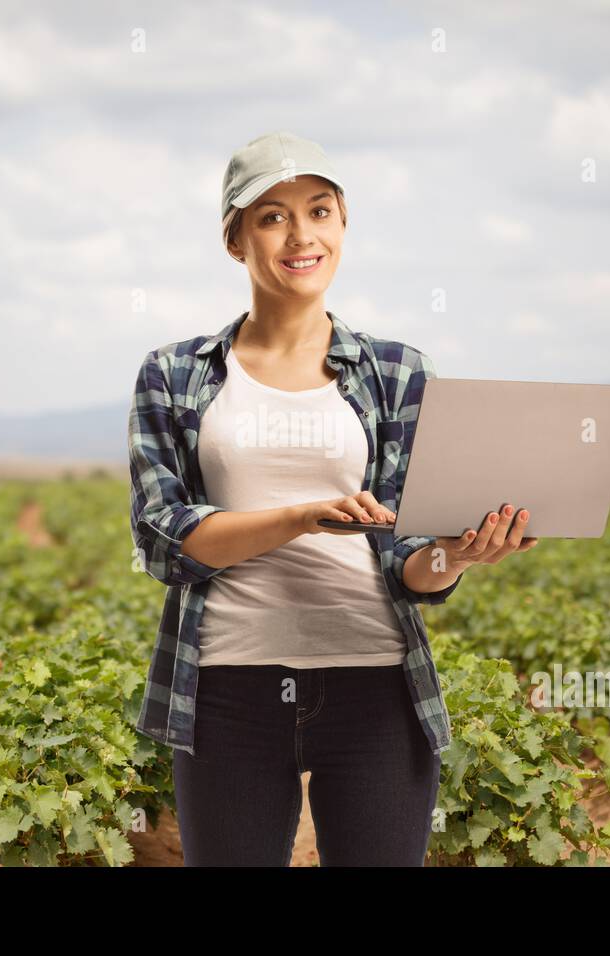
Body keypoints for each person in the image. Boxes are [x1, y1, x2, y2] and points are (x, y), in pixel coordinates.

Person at [128, 131, 538, 866]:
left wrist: (457, 555)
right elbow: (164, 539)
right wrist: (299, 517)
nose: (301, 234)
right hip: (226, 689)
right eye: (273, 216)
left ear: (342, 227)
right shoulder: (174, 374)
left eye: (320, 211)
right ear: (235, 239)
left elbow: (411, 558)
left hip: (375, 688)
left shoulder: (398, 371)